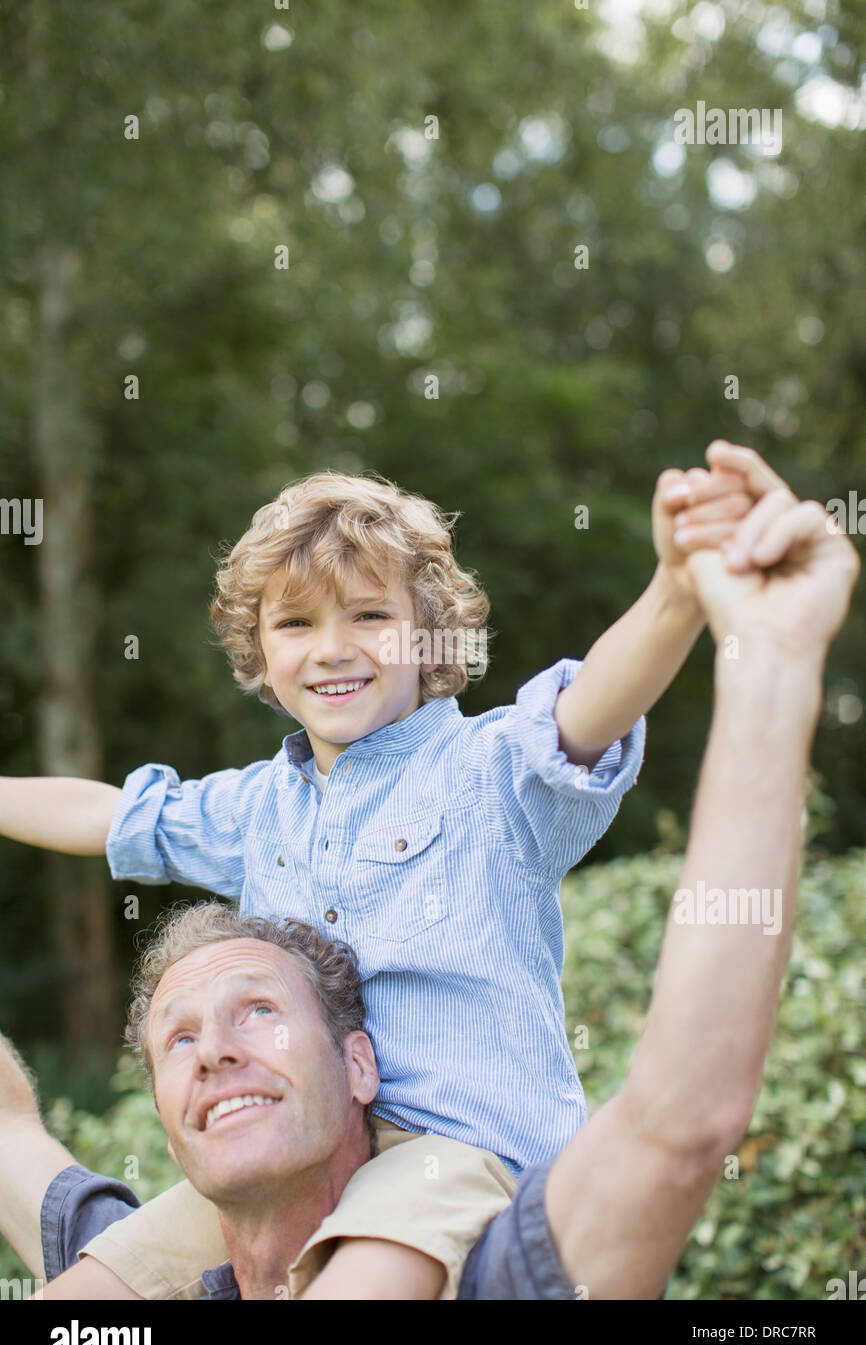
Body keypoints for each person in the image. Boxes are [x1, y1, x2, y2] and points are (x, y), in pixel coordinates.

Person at [1, 452, 857, 1299]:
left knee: (365, 1277)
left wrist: (677, 593)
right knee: (97, 1286)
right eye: (296, 626)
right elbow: (111, 815)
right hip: (298, 1163)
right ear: (259, 655)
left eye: (369, 616)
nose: (333, 650)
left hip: (457, 1155)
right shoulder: (257, 807)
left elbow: (593, 705)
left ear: (432, 634)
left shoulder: (484, 771)